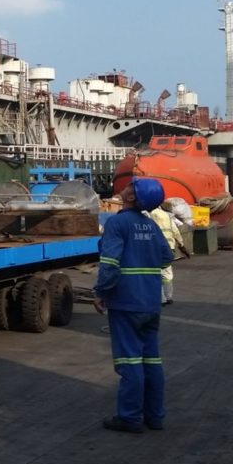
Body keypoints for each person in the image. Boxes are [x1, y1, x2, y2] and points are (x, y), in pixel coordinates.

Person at [93, 178, 175, 433]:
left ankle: (129, 417)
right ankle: (155, 416)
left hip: (126, 302)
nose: (125, 186)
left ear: (131, 198)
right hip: (150, 302)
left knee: (129, 361)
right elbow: (166, 256)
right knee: (151, 360)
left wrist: (100, 291)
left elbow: (109, 265)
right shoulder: (150, 225)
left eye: (131, 186)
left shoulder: (117, 223)